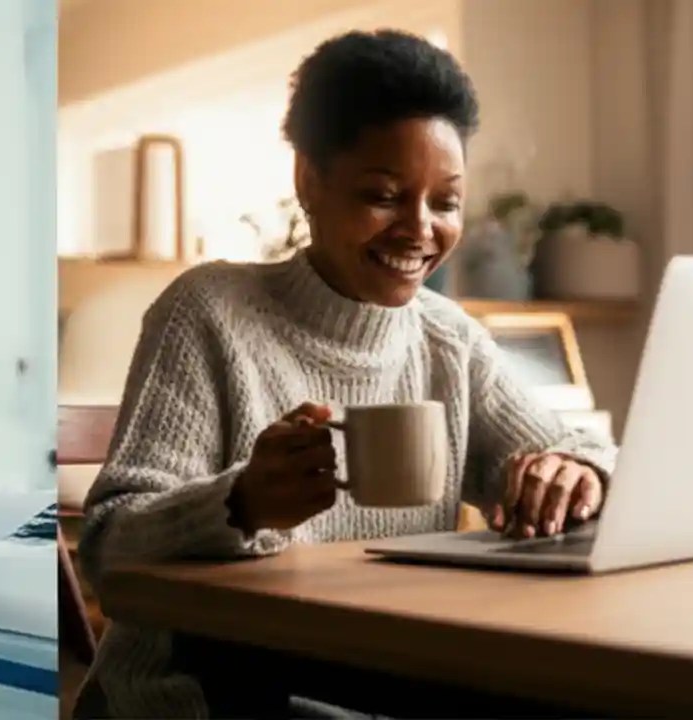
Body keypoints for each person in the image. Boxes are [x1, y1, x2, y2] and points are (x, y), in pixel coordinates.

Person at [74, 29, 618, 719]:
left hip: (381, 675)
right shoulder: (208, 312)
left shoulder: (450, 341)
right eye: (384, 194)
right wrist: (241, 503)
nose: (419, 230)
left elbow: (585, 452)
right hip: (202, 693)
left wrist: (579, 472)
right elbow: (106, 545)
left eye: (445, 202)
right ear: (308, 181)